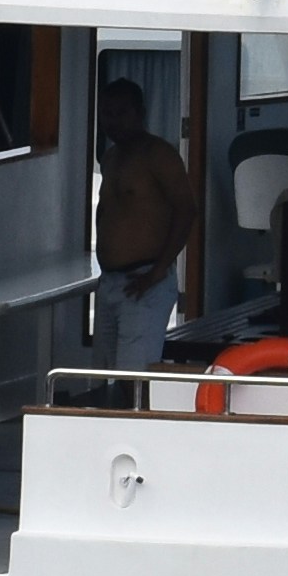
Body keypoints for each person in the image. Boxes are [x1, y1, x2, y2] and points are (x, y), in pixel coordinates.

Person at [90, 76, 195, 369]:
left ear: (139, 113)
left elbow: (186, 209)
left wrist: (158, 272)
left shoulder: (158, 154)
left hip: (146, 280)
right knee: (103, 372)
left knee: (134, 376)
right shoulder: (109, 158)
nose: (113, 121)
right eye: (107, 113)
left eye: (121, 112)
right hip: (111, 282)